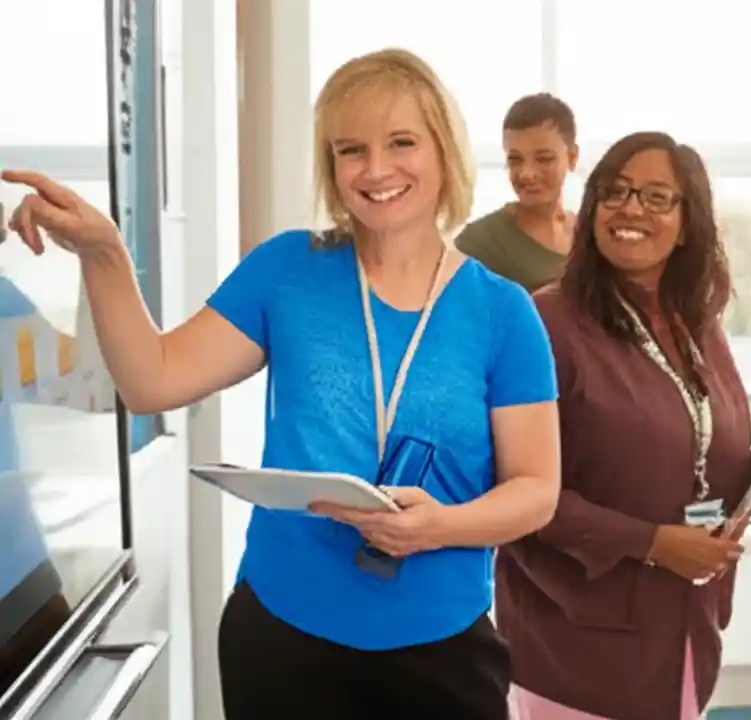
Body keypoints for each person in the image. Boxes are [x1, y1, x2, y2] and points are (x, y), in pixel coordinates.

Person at [2, 47, 560, 720]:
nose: (376, 170)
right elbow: (152, 380)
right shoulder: (287, 270)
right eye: (351, 149)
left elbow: (536, 491)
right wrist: (104, 253)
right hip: (284, 638)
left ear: (444, 149)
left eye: (401, 142)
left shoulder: (503, 311)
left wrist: (439, 527)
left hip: (441, 651)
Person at [493, 131, 751, 720]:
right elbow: (514, 490)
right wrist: (652, 544)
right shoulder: (546, 322)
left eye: (657, 196)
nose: (632, 208)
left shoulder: (697, 324)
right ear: (592, 211)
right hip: (576, 644)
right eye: (616, 192)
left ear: (688, 222)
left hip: (684, 628)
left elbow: (691, 450)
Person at [455, 92, 578, 291]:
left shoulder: (592, 234)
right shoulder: (481, 243)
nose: (527, 174)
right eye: (515, 160)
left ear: (572, 158)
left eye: (544, 159)